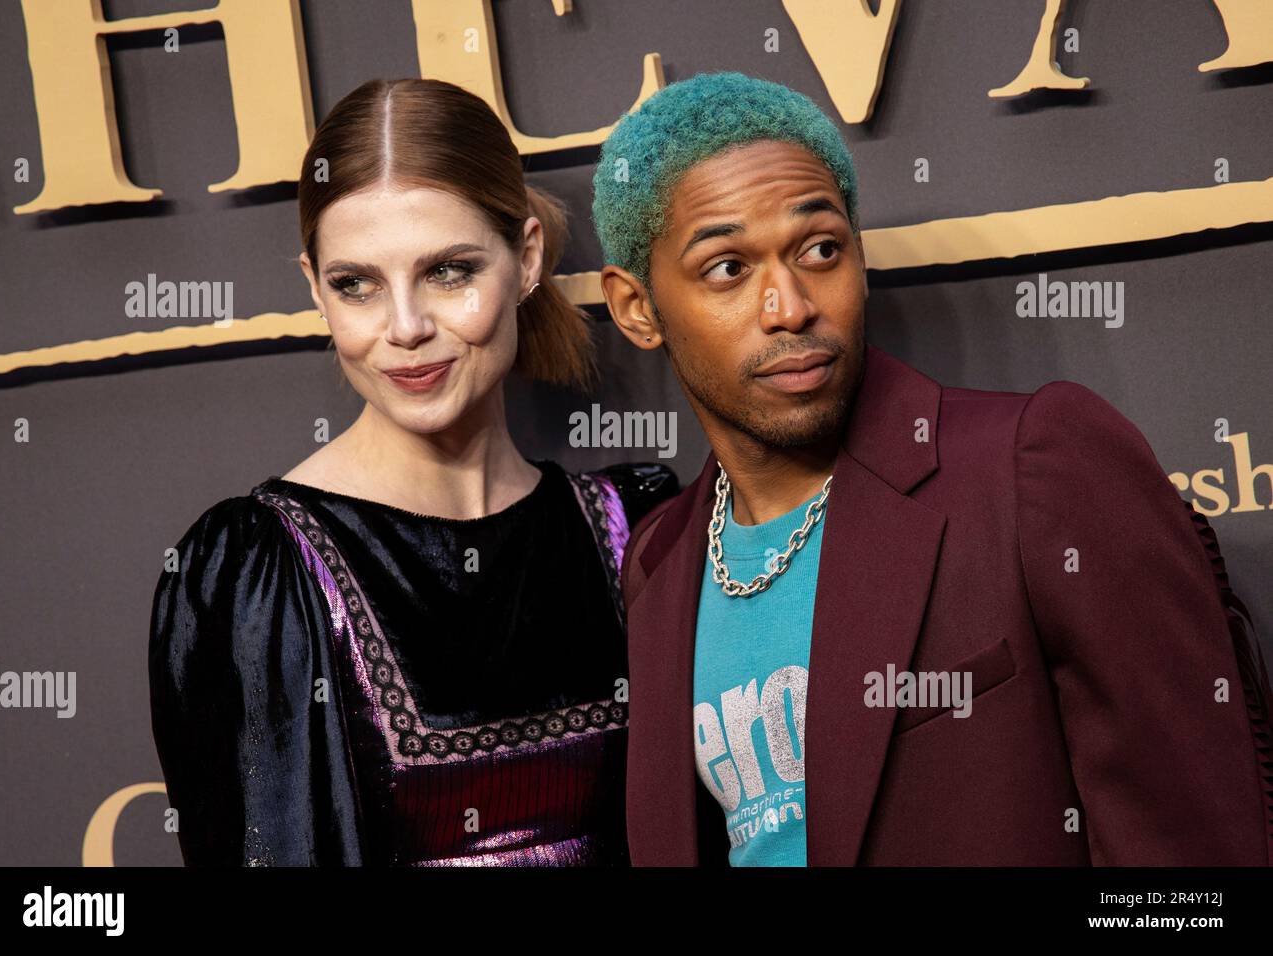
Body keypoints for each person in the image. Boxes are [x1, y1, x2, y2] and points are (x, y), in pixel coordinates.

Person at [592, 71, 1273, 866]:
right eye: (728, 269)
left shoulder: (1036, 467)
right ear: (638, 309)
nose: (790, 306)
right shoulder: (658, 562)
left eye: (820, 250)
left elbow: (1193, 857)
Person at [148, 77, 678, 866]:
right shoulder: (256, 573)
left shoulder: (634, 528)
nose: (404, 328)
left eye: (449, 271)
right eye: (355, 285)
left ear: (526, 256)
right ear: (314, 290)